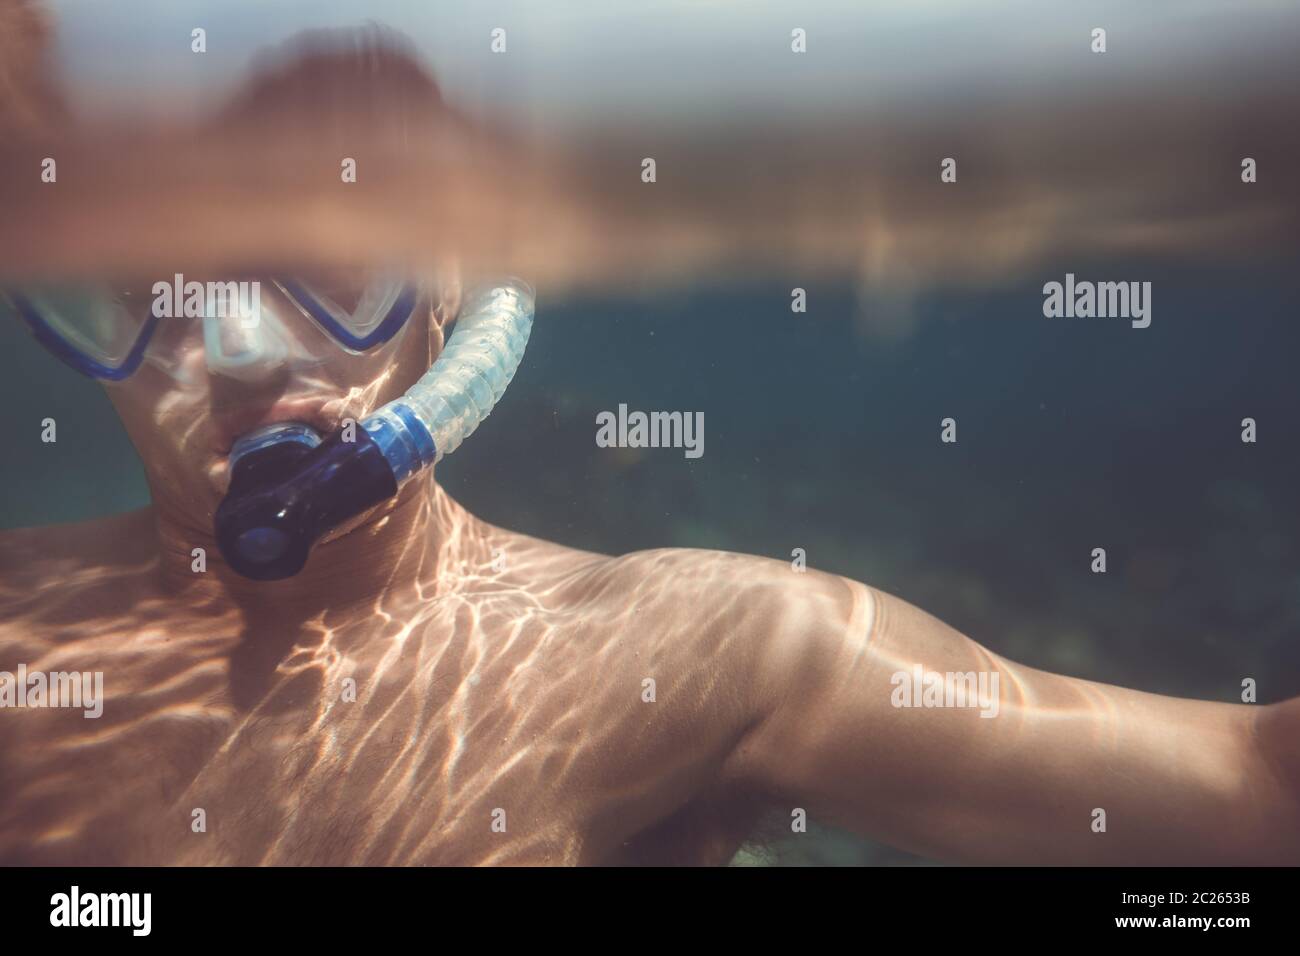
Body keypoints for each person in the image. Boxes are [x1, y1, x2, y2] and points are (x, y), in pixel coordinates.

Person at [0, 19, 1296, 867]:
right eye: (140, 297)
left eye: (320, 263)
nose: (234, 354)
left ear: (457, 288)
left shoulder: (696, 652)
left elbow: (1251, 786)